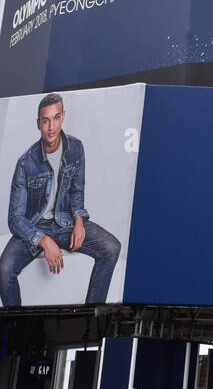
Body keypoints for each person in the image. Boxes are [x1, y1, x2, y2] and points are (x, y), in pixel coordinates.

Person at [0, 93, 122, 307]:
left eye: (56, 118)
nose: (51, 127)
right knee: (3, 271)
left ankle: (89, 319)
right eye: (45, 120)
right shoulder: (25, 163)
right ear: (38, 123)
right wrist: (43, 240)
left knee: (111, 248)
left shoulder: (76, 149)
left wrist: (78, 220)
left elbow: (77, 191)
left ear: (63, 116)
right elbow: (15, 218)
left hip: (65, 222)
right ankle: (16, 331)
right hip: (35, 226)